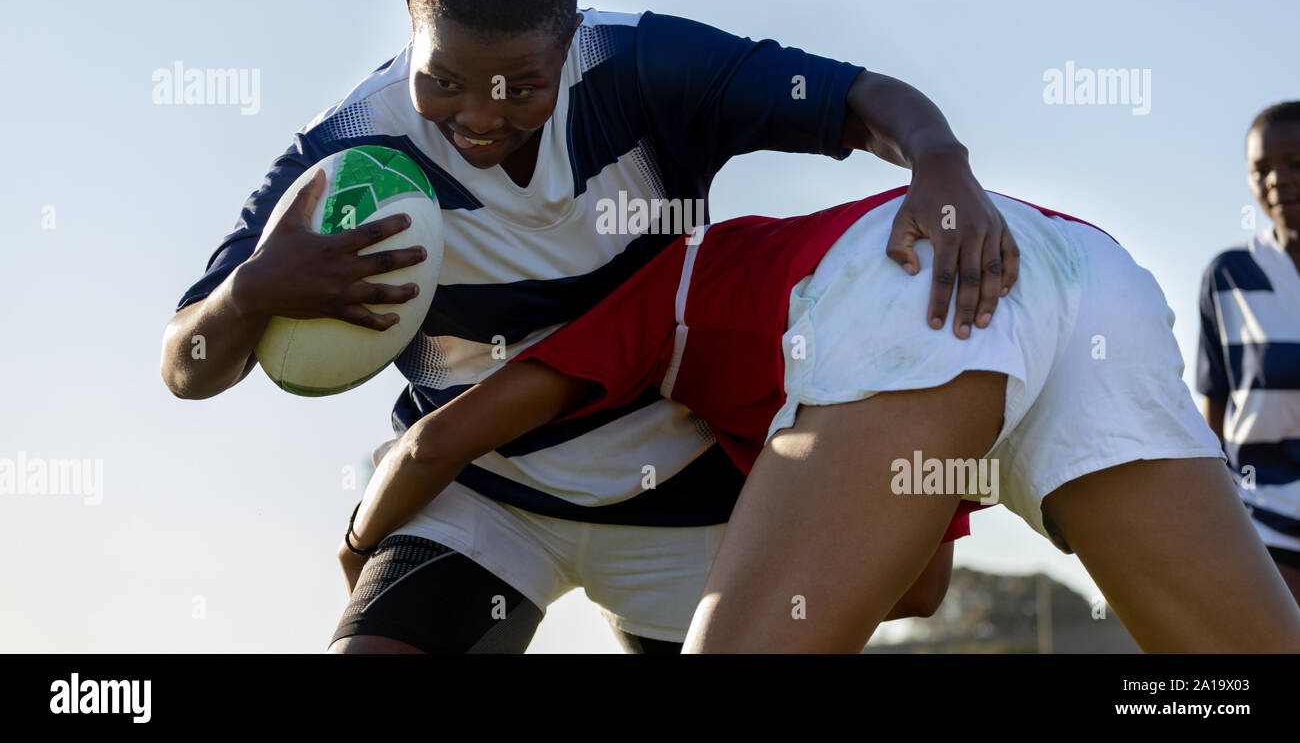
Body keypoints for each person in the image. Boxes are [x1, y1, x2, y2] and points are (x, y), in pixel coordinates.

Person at [161, 0, 1018, 654]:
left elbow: (856, 95)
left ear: (570, 40)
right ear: (411, 18)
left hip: (683, 497)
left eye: (520, 87)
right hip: (479, 495)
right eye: (444, 80)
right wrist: (252, 292)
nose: (480, 117)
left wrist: (939, 161)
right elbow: (187, 365)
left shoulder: (640, 68)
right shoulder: (348, 147)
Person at [340, 186, 1300, 652]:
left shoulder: (669, 280)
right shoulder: (801, 421)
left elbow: (438, 439)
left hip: (918, 272)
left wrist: (360, 548)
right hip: (1090, 272)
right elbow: (919, 587)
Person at [1197, 100, 1300, 605]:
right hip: (1260, 523)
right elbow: (1213, 406)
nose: (1278, 180)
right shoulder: (1229, 276)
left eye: (1296, 164)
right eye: (1262, 168)